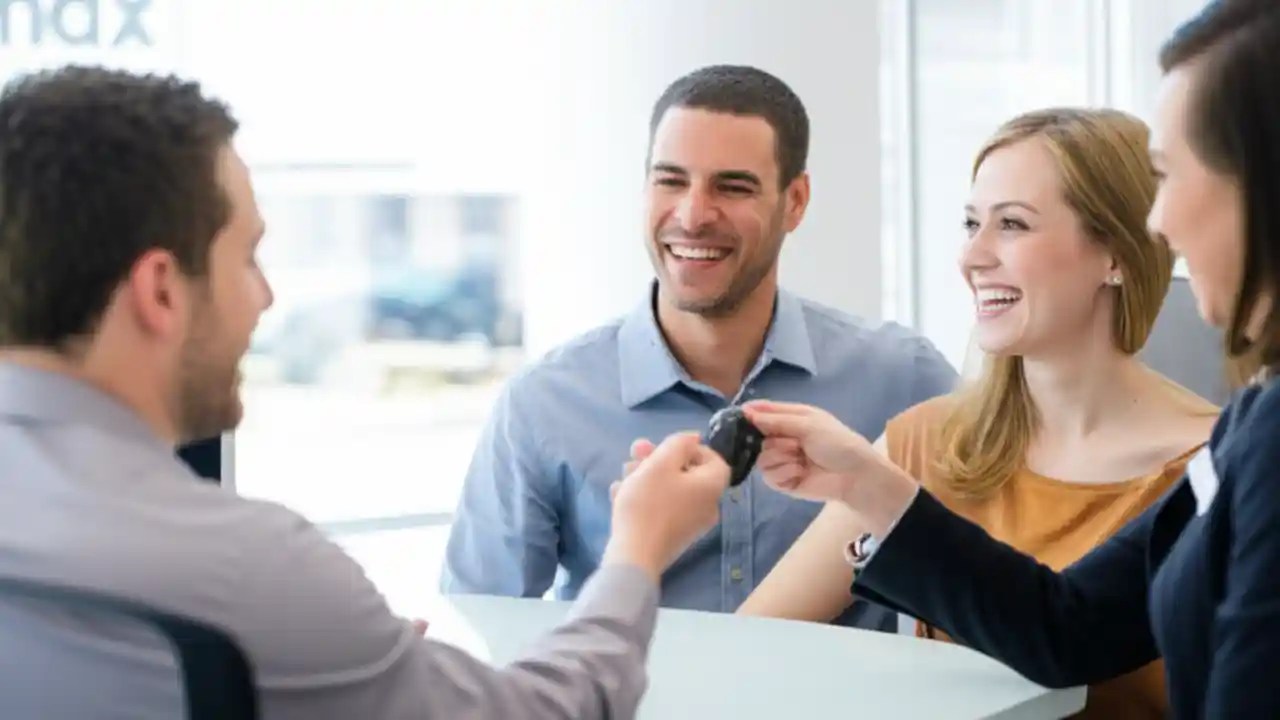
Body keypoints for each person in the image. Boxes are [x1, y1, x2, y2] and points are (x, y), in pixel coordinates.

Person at [0, 65, 733, 719]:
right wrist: (638, 546)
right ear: (161, 289)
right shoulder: (254, 573)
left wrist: (346, 671)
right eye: (248, 256)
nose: (265, 296)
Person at [737, 1, 1280, 716]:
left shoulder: (1243, 442)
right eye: (971, 222)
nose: (1161, 221)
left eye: (1172, 176)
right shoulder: (1253, 425)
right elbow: (1069, 627)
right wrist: (870, 484)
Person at [439, 64, 957, 629]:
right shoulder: (542, 405)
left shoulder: (904, 378)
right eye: (670, 180)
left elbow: (993, 579)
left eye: (732, 187)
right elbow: (475, 637)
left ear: (796, 201)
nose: (692, 216)